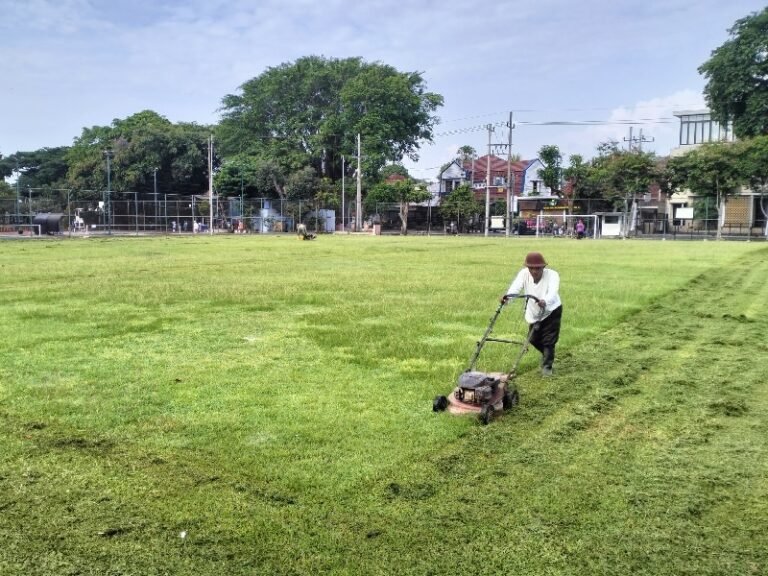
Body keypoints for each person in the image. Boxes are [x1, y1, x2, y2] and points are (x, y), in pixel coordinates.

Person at [502, 252, 563, 376]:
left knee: (548, 340)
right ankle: (548, 355)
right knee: (533, 339)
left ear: (543, 267)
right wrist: (507, 298)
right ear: (527, 267)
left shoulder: (552, 275)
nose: (534, 271)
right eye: (531, 268)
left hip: (551, 310)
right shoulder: (523, 274)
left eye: (538, 268)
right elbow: (515, 288)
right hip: (534, 312)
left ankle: (547, 367)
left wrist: (545, 301)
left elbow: (553, 291)